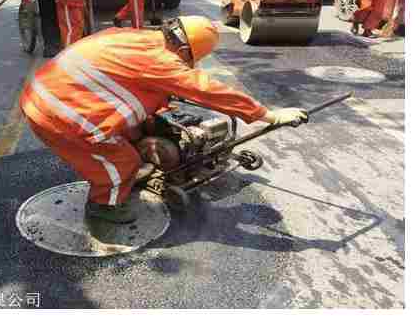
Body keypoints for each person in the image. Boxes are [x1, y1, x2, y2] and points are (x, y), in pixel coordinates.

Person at [19, 16, 308, 224]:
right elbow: (207, 89)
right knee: (122, 162)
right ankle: (104, 206)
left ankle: (123, 168)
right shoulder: (162, 61)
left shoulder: (137, 37)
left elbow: (129, 84)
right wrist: (267, 115)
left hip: (43, 94)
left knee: (135, 130)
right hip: (57, 113)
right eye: (190, 61)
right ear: (185, 51)